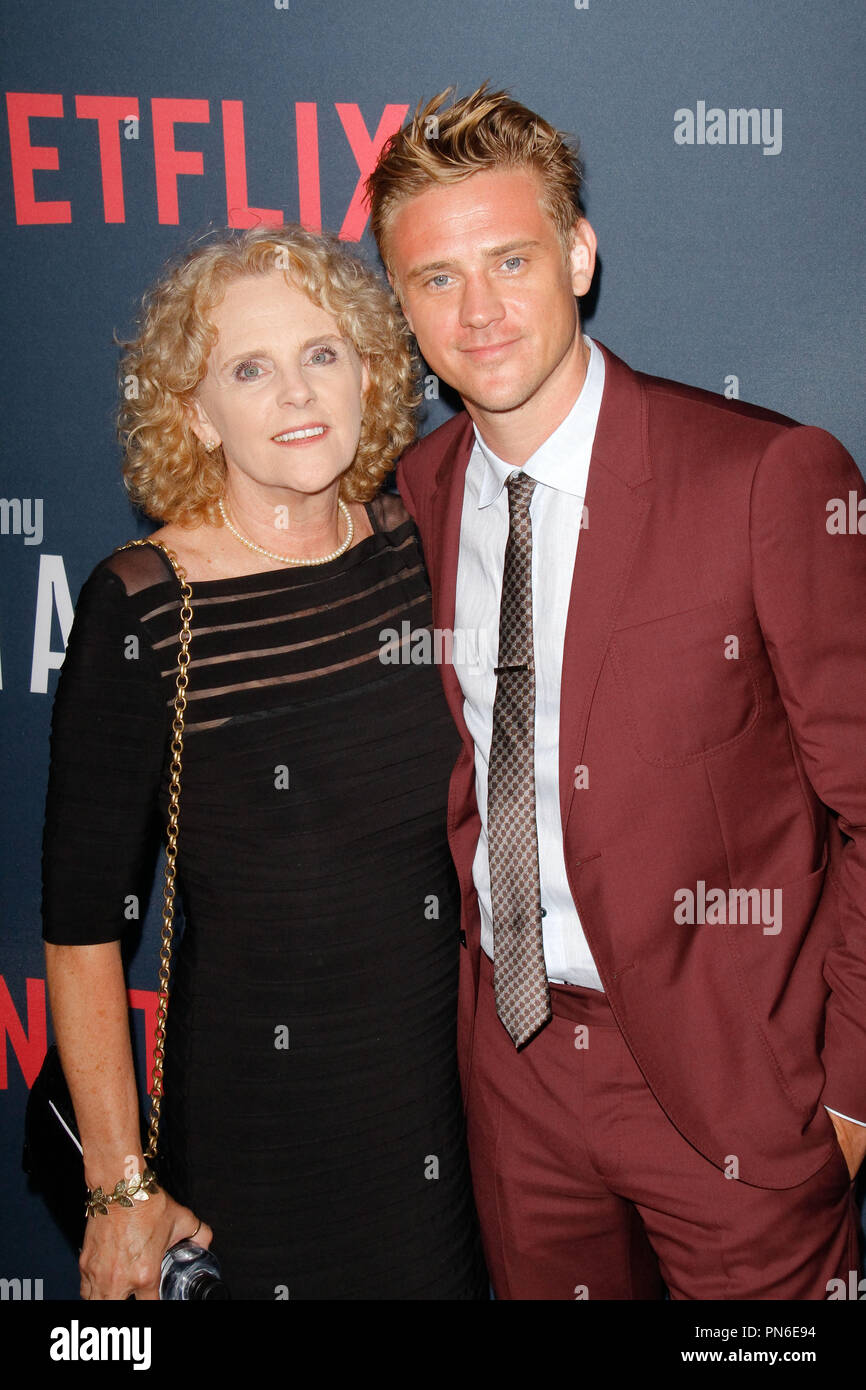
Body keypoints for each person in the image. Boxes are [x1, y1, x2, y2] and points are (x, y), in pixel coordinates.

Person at [365, 84, 866, 1299]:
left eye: (509, 258)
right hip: (516, 1075)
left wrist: (848, 1090)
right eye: (434, 278)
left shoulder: (764, 477)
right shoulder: (414, 494)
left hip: (734, 1086)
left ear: (579, 255)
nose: (475, 310)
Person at [41, 224, 487, 1301]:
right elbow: (84, 923)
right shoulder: (145, 604)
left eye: (320, 353)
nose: (296, 392)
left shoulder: (424, 546)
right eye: (249, 368)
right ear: (195, 412)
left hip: (446, 1117)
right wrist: (116, 1187)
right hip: (254, 1131)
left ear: (369, 370)